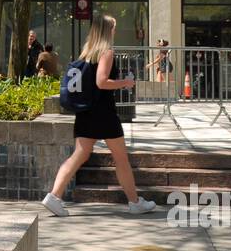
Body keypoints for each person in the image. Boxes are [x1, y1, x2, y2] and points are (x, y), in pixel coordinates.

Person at [41, 13, 156, 217]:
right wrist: (125, 83)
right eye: (113, 27)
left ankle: (54, 196)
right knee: (121, 158)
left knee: (79, 155)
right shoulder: (106, 53)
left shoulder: (86, 53)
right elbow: (101, 82)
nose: (115, 31)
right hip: (103, 113)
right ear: (106, 31)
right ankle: (135, 202)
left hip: (86, 111)